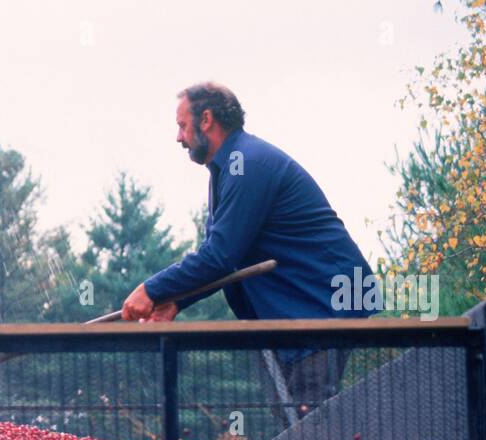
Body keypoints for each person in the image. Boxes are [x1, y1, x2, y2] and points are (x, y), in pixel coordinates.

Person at [121, 82, 381, 420]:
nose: (178, 138)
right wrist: (177, 301)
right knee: (296, 424)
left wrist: (151, 289)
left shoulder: (248, 164)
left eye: (182, 125)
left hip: (322, 304)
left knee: (312, 429)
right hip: (293, 310)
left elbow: (220, 256)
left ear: (206, 120)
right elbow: (224, 260)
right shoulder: (229, 168)